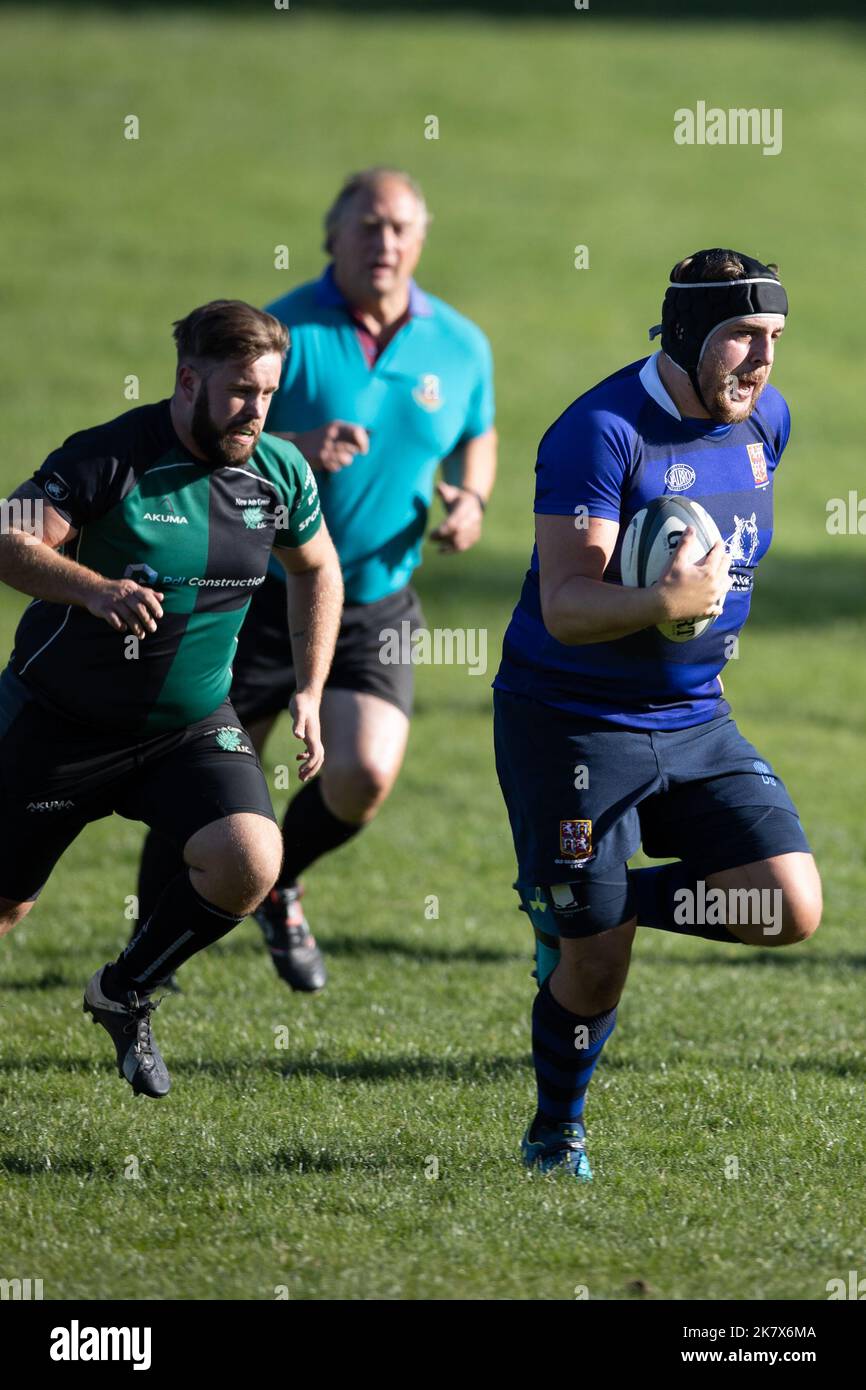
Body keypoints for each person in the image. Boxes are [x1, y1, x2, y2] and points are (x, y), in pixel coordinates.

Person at [493, 249, 822, 1179]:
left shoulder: (769, 420)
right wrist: (659, 603)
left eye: (775, 340)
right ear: (686, 335)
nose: (759, 362)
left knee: (788, 907)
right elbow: (565, 604)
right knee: (595, 971)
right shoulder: (599, 431)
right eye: (741, 338)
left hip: (696, 717)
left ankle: (586, 905)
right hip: (571, 720)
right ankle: (557, 1132)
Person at [134, 166, 497, 994]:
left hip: (377, 599)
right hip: (255, 593)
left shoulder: (459, 342)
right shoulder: (284, 330)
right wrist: (293, 441)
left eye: (402, 227)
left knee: (364, 775)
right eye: (368, 226)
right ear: (332, 234)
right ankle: (150, 957)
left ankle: (278, 883)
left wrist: (471, 498)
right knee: (209, 781)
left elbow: (478, 429)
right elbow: (198, 435)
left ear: (423, 237)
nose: (385, 242)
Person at [0, 300, 342, 1097]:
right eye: (239, 392)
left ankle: (125, 991)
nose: (256, 412)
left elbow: (317, 569)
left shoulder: (278, 471)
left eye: (268, 394)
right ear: (189, 379)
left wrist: (312, 688)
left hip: (188, 727)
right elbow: (8, 539)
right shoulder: (108, 457)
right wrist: (93, 591)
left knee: (251, 858)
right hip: (60, 726)